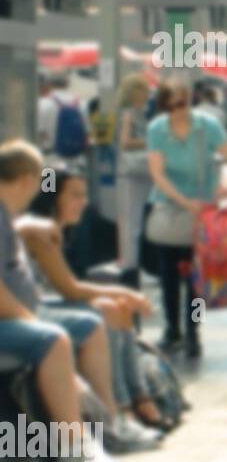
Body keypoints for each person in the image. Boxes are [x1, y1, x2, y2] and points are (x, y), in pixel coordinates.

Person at [0, 141, 125, 462]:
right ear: (27, 179)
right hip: (10, 319)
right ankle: (75, 449)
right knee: (54, 340)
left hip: (20, 314)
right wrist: (33, 322)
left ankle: (109, 427)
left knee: (89, 324)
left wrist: (26, 224)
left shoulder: (8, 216)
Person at [19, 166, 173, 434]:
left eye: (84, 195)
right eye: (75, 195)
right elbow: (71, 289)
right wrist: (125, 292)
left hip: (42, 303)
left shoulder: (57, 229)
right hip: (32, 310)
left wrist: (122, 297)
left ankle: (140, 397)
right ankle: (121, 408)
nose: (84, 202)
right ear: (53, 197)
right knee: (110, 309)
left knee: (119, 310)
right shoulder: (41, 233)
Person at [145, 79, 227, 359]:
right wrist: (186, 203)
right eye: (173, 104)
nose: (180, 110)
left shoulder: (207, 126)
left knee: (197, 279)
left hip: (204, 209)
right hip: (171, 207)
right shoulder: (157, 130)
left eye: (184, 102)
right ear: (165, 105)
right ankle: (171, 328)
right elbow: (158, 174)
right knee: (168, 275)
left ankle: (193, 331)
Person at [116, 73, 152, 272]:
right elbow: (125, 142)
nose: (147, 94)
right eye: (144, 90)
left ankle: (133, 264)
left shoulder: (137, 112)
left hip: (136, 172)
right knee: (132, 222)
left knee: (133, 221)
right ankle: (130, 265)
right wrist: (151, 141)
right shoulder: (130, 113)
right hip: (132, 171)